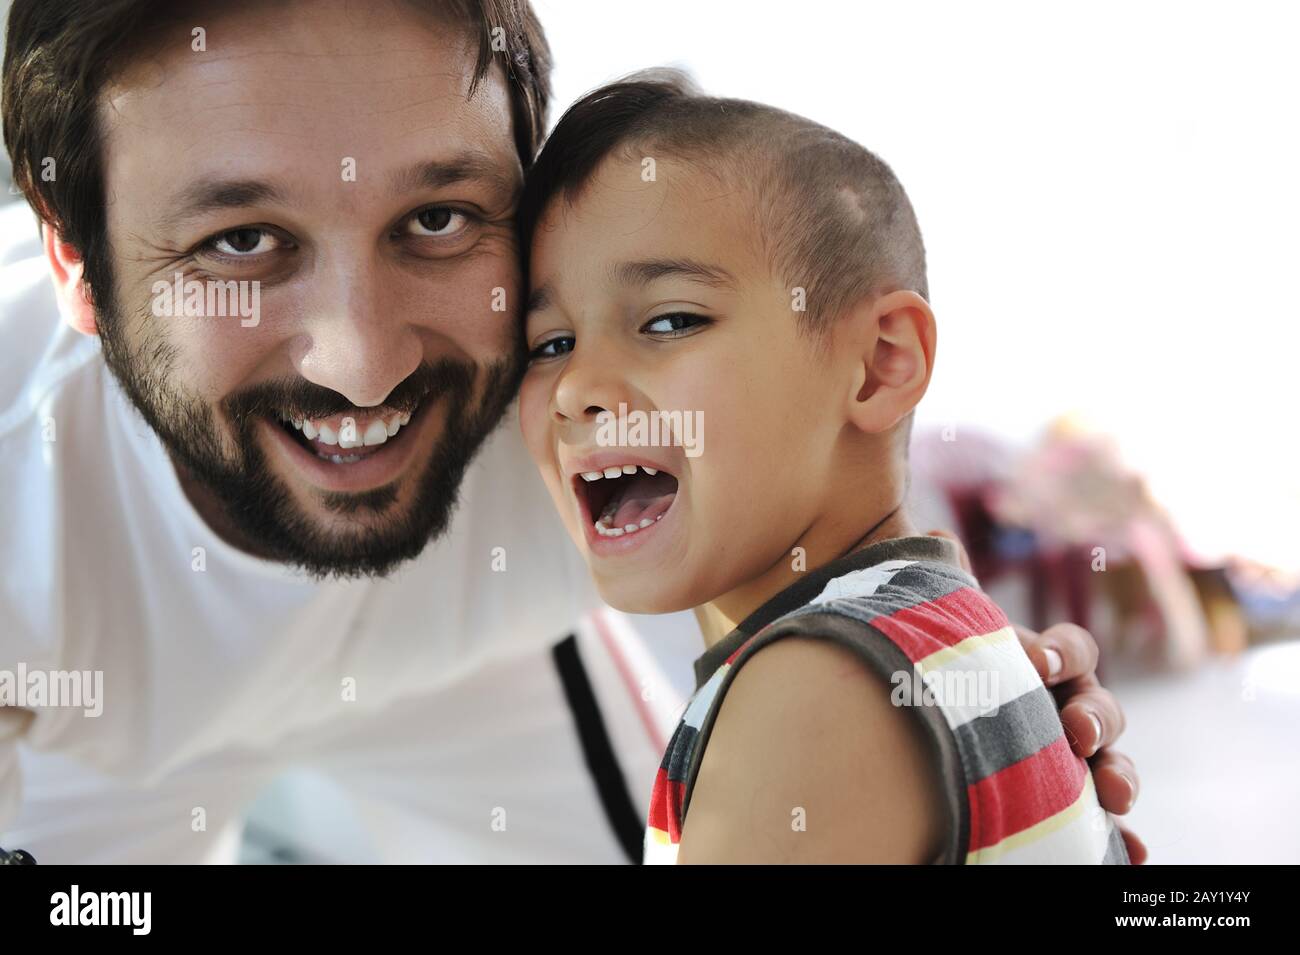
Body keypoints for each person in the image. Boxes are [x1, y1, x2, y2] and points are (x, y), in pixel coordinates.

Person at [0, 0, 1144, 863]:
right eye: (240, 241)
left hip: (465, 676)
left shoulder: (592, 387)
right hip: (84, 751)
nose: (363, 363)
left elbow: (852, 548)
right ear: (79, 267)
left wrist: (969, 713)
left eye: (438, 219)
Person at [518, 73, 1131, 862]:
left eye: (671, 320)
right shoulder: (938, 633)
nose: (574, 387)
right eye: (549, 345)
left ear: (880, 364)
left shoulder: (806, 693)